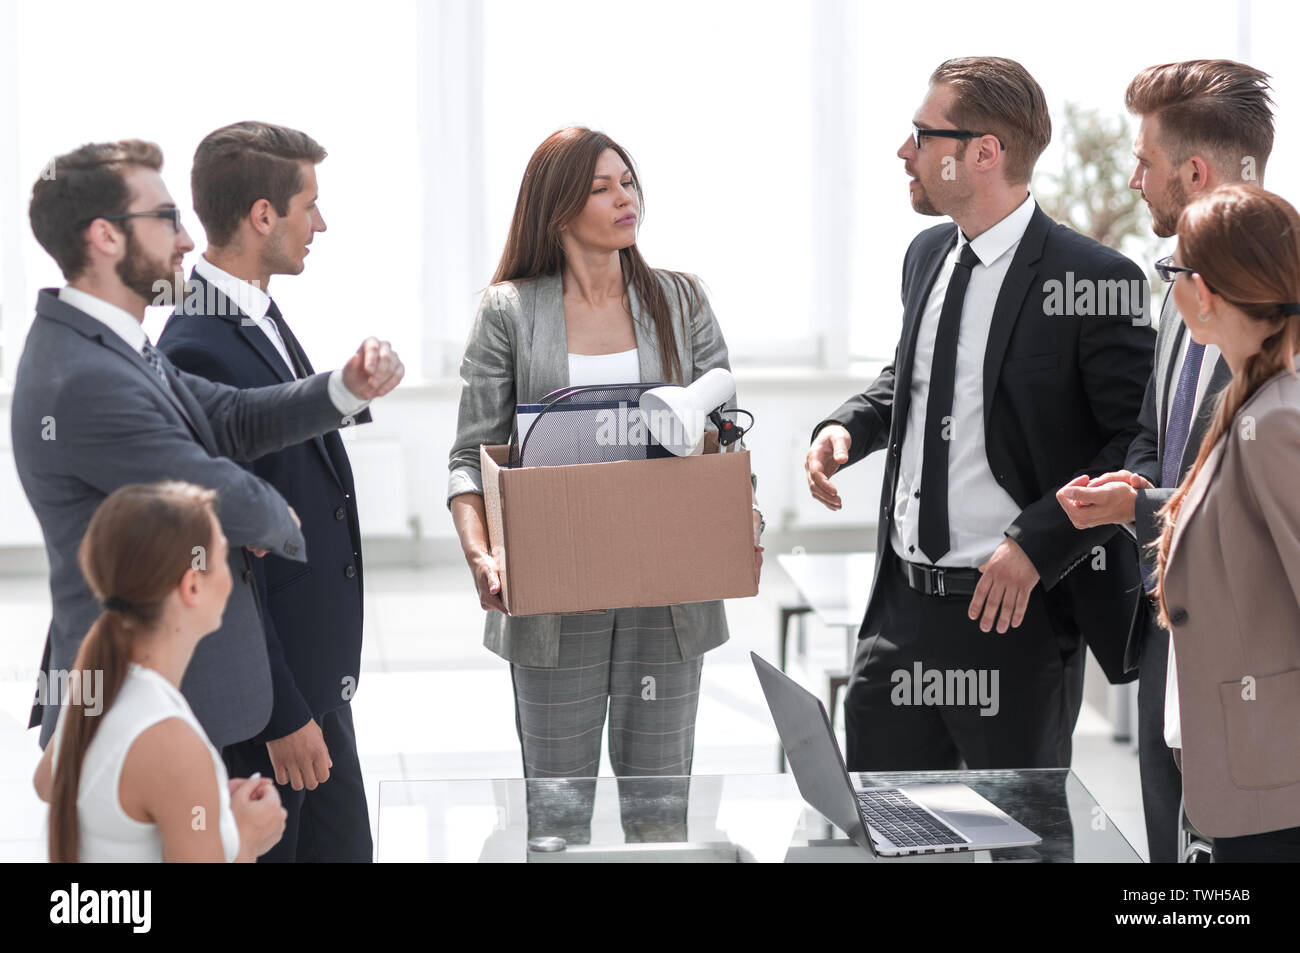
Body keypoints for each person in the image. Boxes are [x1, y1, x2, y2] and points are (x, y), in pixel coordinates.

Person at [804, 57, 1154, 771]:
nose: (906, 151)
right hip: (899, 611)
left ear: (983, 153)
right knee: (891, 830)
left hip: (1013, 616)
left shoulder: (1095, 280)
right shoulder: (927, 254)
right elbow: (913, 376)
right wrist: (849, 427)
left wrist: (1038, 541)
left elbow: (1133, 440)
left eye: (923, 135)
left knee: (1021, 844)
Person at [13, 140, 404, 752]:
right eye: (166, 219)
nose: (188, 241)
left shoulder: (114, 344)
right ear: (106, 237)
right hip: (136, 709)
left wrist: (342, 390)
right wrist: (274, 516)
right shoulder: (84, 377)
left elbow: (229, 415)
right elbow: (203, 486)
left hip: (173, 695)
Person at [447, 127, 761, 837]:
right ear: (557, 209)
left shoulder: (680, 301)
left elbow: (726, 433)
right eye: (601, 187)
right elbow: (470, 456)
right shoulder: (510, 312)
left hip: (670, 593)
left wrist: (747, 520)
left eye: (628, 180)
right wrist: (480, 552)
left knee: (661, 819)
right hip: (554, 596)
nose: (626, 197)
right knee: (557, 823)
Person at [1055, 60, 1273, 862]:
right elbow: (1155, 429)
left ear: (1195, 171)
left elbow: (1257, 501)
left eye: (1144, 160)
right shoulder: (1181, 289)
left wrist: (1139, 509)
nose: (1133, 177)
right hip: (1166, 634)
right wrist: (1138, 483)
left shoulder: (1277, 316)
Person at [158, 122, 372, 863]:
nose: (321, 223)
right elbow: (210, 555)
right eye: (309, 205)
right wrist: (282, 711)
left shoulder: (256, 313)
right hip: (267, 709)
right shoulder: (194, 344)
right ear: (261, 216)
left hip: (316, 691)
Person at [1149, 184, 1300, 862]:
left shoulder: (1276, 423)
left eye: (1172, 270)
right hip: (1232, 782)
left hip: (1274, 796)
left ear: (1201, 291)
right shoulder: (1251, 405)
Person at [33, 481, 287, 862]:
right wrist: (248, 839)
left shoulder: (95, 685)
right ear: (191, 587)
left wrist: (200, 801)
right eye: (223, 559)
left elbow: (47, 782)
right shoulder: (172, 742)